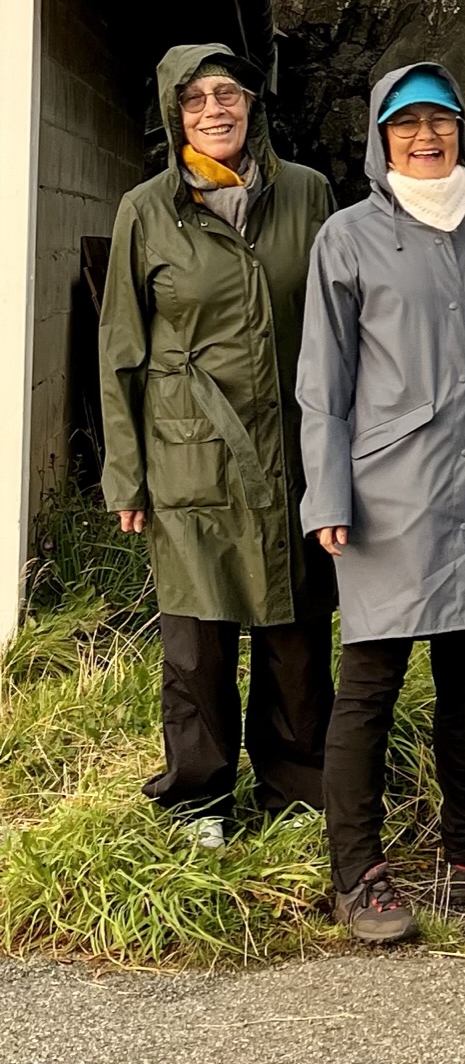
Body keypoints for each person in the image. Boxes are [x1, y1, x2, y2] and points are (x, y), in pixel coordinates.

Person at [297, 63, 465, 944]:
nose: (425, 136)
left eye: (441, 121)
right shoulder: (348, 236)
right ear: (380, 139)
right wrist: (326, 490)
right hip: (386, 494)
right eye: (406, 124)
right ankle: (358, 873)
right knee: (368, 682)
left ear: (462, 133)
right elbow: (322, 384)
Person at [100, 44, 337, 850]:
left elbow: (343, 328)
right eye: (196, 97)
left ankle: (296, 791)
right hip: (187, 451)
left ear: (250, 102)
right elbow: (121, 349)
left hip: (294, 448)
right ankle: (198, 802)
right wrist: (126, 474)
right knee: (196, 644)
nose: (214, 109)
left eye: (227, 92)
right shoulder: (147, 208)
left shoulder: (308, 193)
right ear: (175, 113)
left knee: (297, 633)